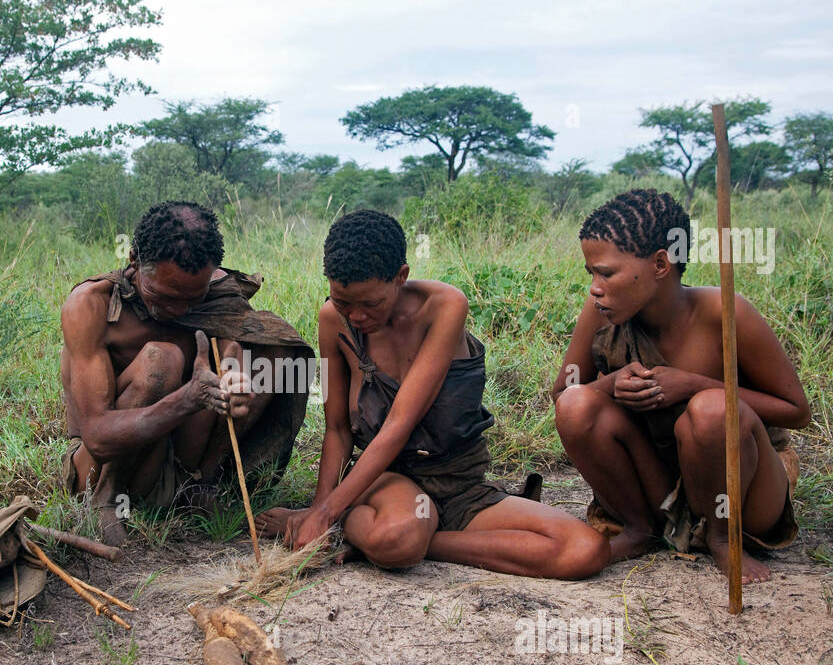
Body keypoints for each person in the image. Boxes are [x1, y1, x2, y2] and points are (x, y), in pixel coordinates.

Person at [256, 209, 608, 579]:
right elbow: (337, 431)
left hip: (460, 485)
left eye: (371, 303)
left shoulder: (445, 306)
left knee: (584, 550)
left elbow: (400, 422)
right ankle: (387, 530)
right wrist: (319, 510)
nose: (355, 316)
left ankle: (420, 538)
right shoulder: (332, 320)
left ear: (401, 277)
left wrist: (324, 516)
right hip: (390, 483)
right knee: (398, 540)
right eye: (343, 302)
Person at [551, 188, 810, 583]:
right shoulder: (603, 311)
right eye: (592, 274)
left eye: (606, 272)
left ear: (659, 264)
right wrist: (612, 385)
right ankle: (641, 529)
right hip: (660, 480)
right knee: (576, 406)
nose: (595, 287)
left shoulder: (724, 312)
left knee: (711, 409)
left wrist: (694, 385)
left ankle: (721, 539)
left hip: (743, 485)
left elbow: (796, 412)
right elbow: (564, 394)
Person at [59, 201, 313, 545]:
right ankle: (106, 501)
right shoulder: (93, 304)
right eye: (163, 297)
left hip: (175, 463)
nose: (177, 311)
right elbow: (97, 438)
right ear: (135, 260)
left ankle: (201, 487)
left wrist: (235, 390)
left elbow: (232, 356)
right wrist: (188, 398)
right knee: (160, 361)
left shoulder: (218, 295)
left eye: (193, 299)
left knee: (276, 350)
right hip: (99, 468)